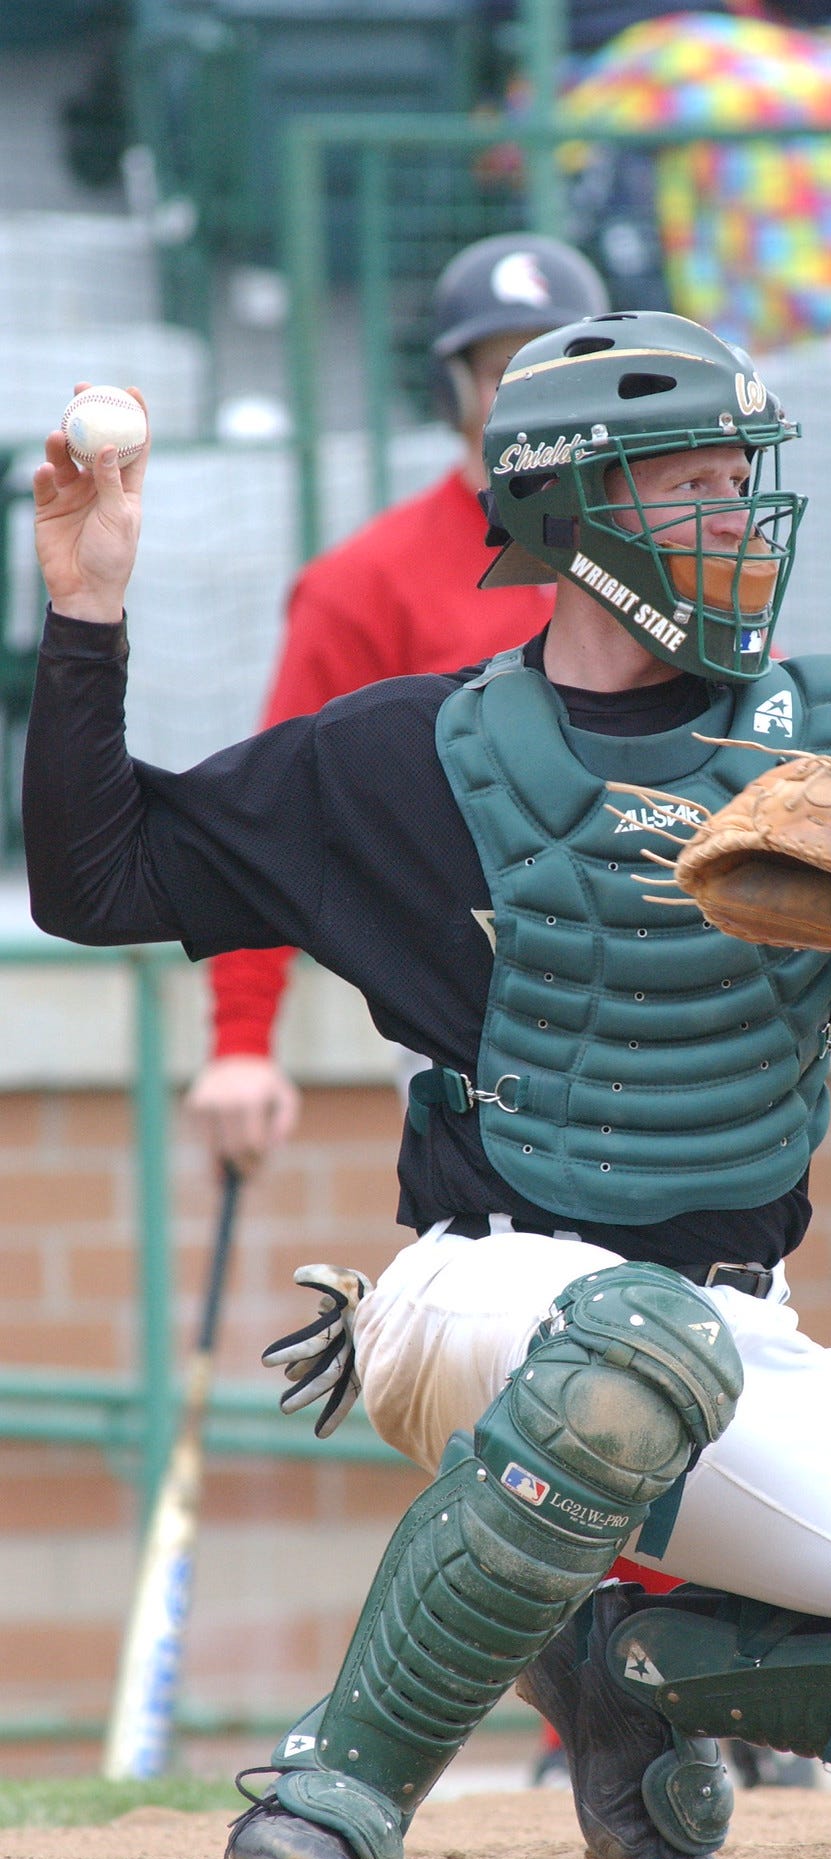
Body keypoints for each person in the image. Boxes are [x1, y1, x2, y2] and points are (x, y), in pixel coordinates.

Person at [26, 311, 831, 1859]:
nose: (739, 525)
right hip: (475, 1297)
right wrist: (87, 613)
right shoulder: (410, 754)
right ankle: (341, 1783)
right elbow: (96, 876)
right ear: (573, 514)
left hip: (739, 1335)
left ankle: (632, 1673)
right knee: (629, 1340)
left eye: (745, 484)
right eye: (691, 489)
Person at [184, 231, 610, 1173]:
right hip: (475, 995)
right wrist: (243, 1039)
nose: (536, 399)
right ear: (457, 388)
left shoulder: (661, 552)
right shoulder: (365, 582)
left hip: (671, 974)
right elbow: (278, 815)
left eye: (567, 367)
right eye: (508, 370)